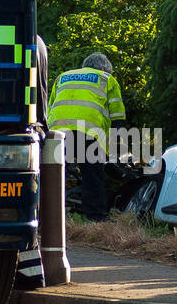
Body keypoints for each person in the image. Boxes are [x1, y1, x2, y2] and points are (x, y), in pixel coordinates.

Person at [48, 52, 125, 222]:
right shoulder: (106, 78)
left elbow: (50, 106)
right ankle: (95, 217)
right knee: (92, 176)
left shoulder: (63, 77)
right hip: (89, 132)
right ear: (104, 68)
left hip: (57, 132)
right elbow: (117, 114)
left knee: (55, 174)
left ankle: (49, 215)